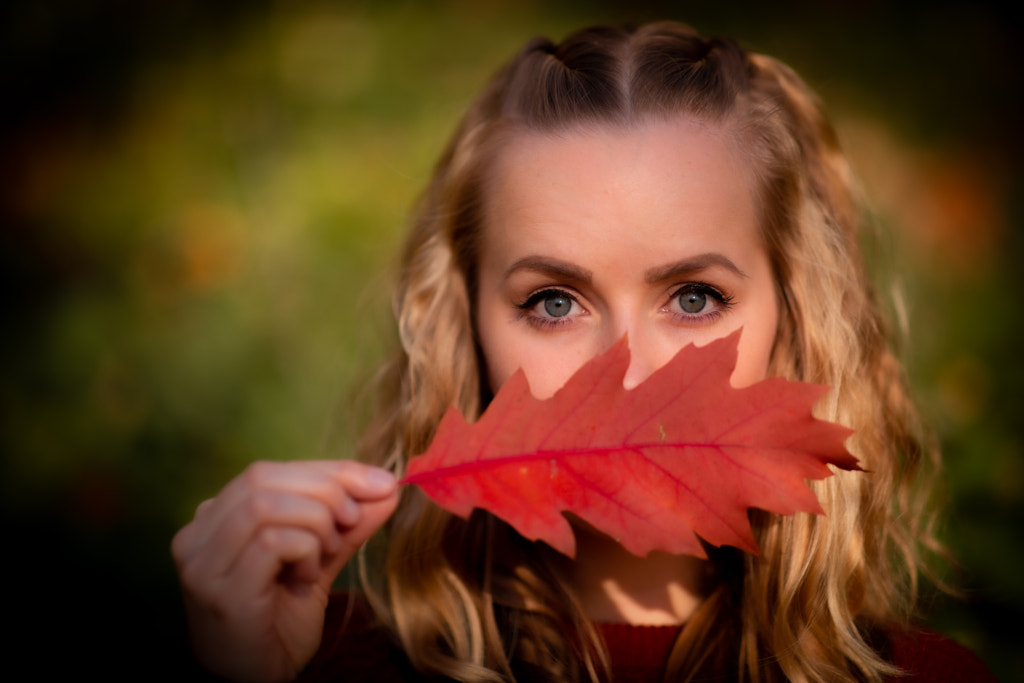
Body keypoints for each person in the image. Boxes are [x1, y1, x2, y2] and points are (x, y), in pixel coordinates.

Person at [171, 21, 998, 683]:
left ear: (795, 314)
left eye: (695, 297)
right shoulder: (326, 660)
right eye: (554, 303)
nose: (628, 374)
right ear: (465, 326)